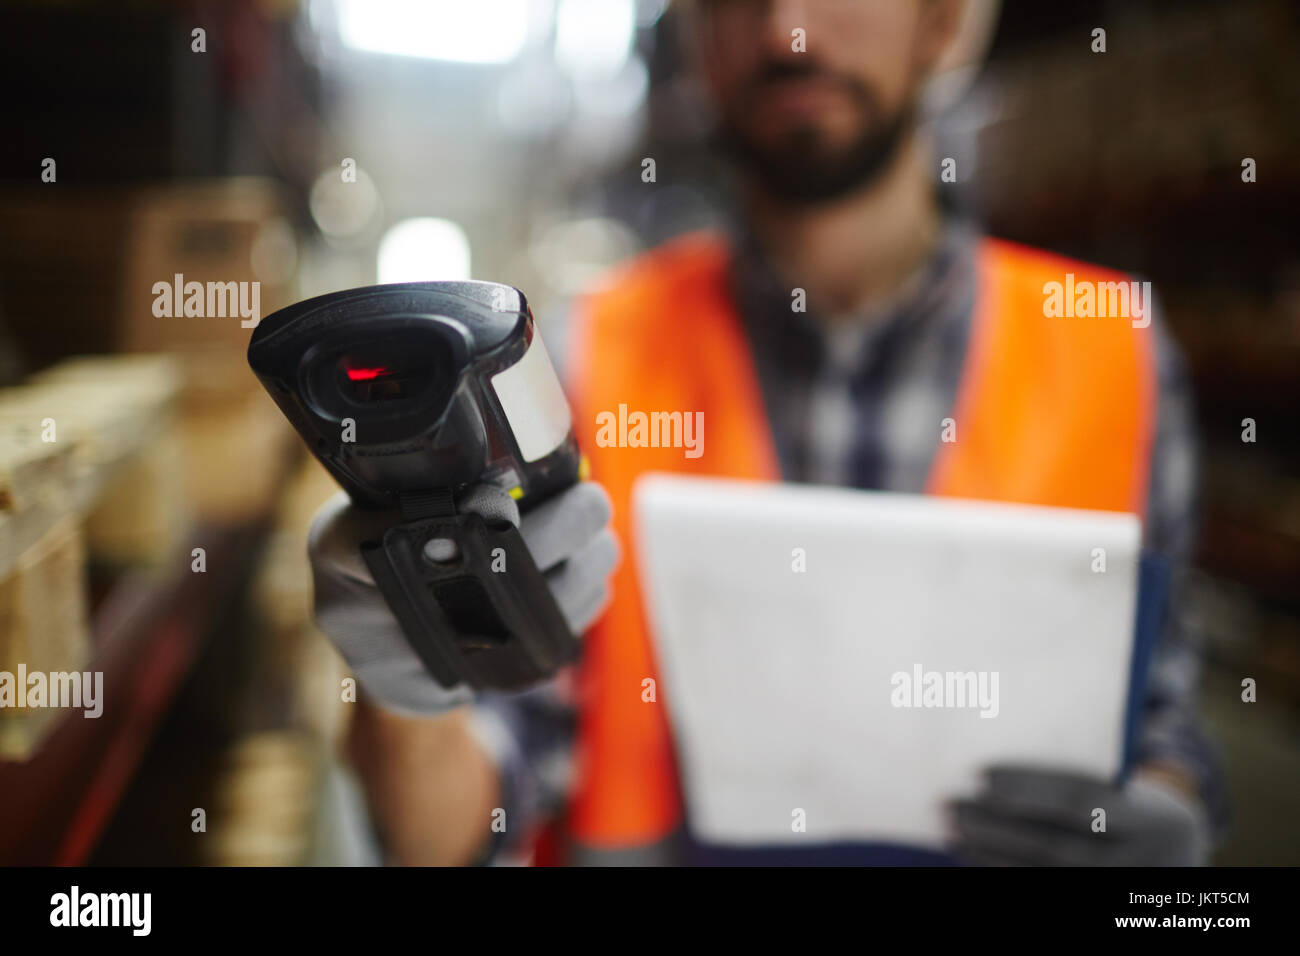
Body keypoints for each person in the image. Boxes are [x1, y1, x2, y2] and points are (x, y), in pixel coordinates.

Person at [310, 0, 1219, 866]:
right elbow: (454, 832)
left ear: (940, 22)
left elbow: (1159, 715)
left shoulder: (1114, 348)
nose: (787, 30)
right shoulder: (587, 365)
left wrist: (1168, 824)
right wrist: (408, 691)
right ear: (702, 49)